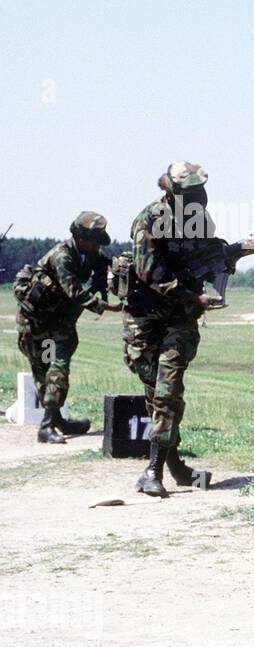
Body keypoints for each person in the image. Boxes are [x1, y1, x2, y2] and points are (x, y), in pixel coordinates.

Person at [122, 161, 222, 496]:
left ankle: (153, 470)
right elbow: (151, 273)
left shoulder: (199, 220)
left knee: (168, 388)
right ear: (173, 191)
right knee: (159, 394)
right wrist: (194, 295)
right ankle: (176, 465)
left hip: (180, 318)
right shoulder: (150, 219)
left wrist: (234, 254)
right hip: (146, 317)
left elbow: (211, 257)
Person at [13, 212, 121, 443]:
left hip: (58, 322)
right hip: (36, 323)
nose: (96, 246)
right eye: (94, 241)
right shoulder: (62, 256)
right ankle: (49, 425)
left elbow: (106, 266)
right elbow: (74, 291)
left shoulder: (88, 254)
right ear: (80, 238)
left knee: (58, 369)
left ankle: (54, 421)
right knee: (46, 372)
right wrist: (105, 307)